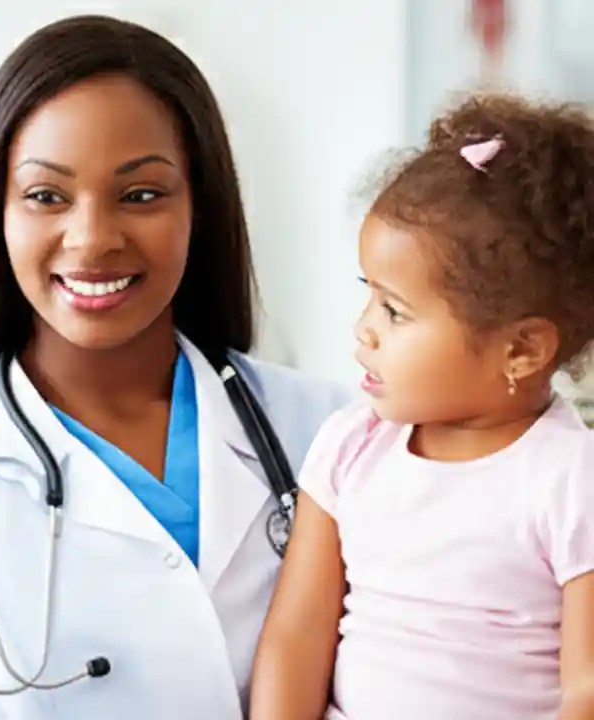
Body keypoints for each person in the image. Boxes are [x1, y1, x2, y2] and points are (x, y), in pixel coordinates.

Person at [0, 14, 350, 720]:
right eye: (46, 196)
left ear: (199, 208)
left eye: (141, 194)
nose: (92, 239)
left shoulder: (333, 434)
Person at [249, 94, 594, 719]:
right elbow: (295, 637)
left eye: (394, 312)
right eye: (369, 298)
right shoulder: (349, 448)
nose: (363, 331)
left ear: (521, 349)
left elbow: (587, 690)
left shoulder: (571, 480)